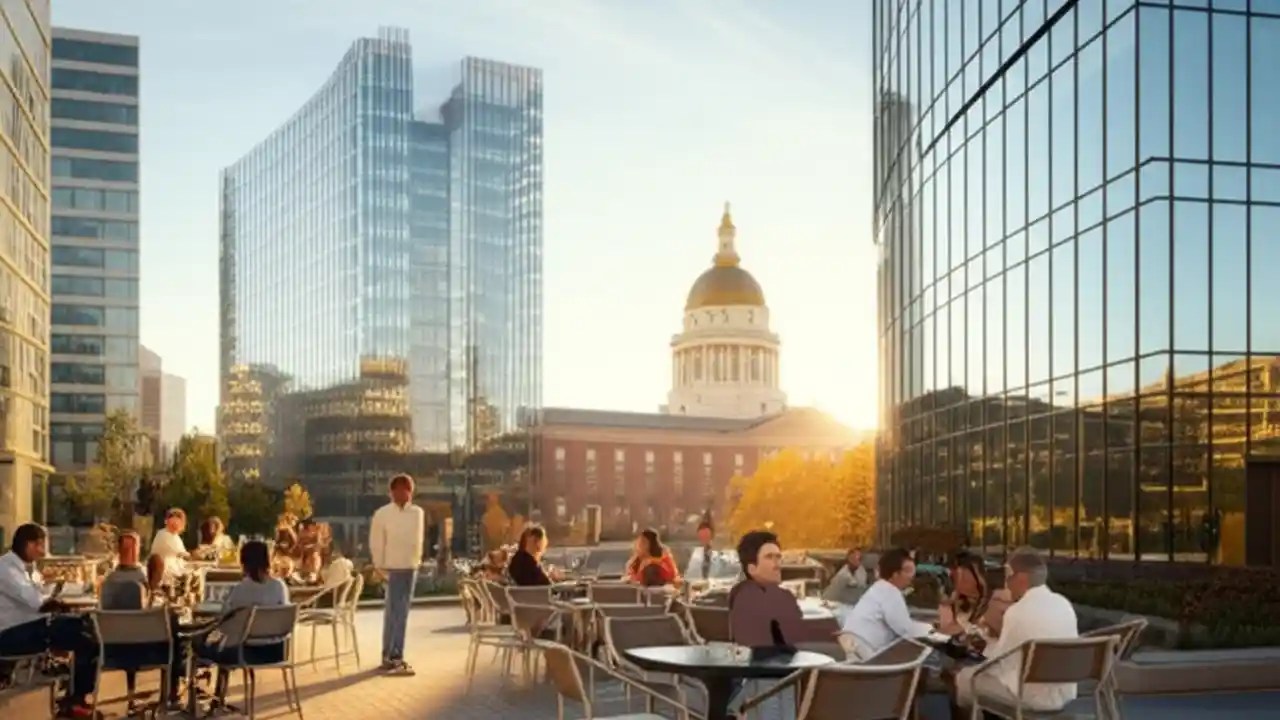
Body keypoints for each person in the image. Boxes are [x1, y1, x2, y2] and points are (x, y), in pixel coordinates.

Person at [947, 548, 1079, 717]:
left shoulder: (1018, 611)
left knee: (963, 679)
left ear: (1022, 578)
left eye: (1009, 578)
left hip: (1029, 697)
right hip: (1063, 694)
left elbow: (998, 664)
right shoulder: (1064, 604)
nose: (1007, 584)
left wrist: (976, 654)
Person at [0, 523, 100, 717]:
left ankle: (75, 692)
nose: (42, 551)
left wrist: (58, 595)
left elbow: (41, 594)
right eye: (40, 545)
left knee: (86, 625)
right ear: (28, 545)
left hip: (31, 627)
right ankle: (75, 698)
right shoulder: (6, 569)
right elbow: (36, 602)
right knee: (85, 637)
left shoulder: (27, 569)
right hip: (12, 635)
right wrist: (58, 602)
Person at [198, 541, 291, 703]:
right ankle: (217, 697)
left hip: (247, 652)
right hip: (277, 651)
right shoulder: (279, 586)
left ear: (244, 563)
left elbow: (225, 624)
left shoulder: (240, 590)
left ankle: (210, 696)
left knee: (200, 644)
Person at [100, 531, 183, 707]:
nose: (130, 551)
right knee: (174, 631)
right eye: (128, 547)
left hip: (111, 651)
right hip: (145, 650)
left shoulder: (108, 582)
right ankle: (173, 691)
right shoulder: (144, 577)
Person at [727, 530, 834, 651]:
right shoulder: (752, 596)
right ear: (752, 568)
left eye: (778, 557)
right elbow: (794, 634)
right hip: (775, 664)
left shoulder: (742, 593)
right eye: (769, 557)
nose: (777, 564)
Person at [369, 473, 424, 676]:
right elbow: (377, 542)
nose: (404, 494)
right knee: (393, 613)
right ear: (391, 492)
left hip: (410, 567)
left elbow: (418, 540)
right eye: (399, 489)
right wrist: (380, 567)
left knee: (403, 613)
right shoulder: (382, 514)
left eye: (407, 489)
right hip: (392, 568)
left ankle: (395, 654)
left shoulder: (417, 513)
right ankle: (391, 655)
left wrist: (416, 562)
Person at [842, 547, 934, 660]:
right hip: (863, 650)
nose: (912, 576)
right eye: (908, 571)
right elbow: (905, 629)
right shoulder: (890, 592)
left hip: (854, 646)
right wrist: (931, 629)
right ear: (895, 574)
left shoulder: (879, 588)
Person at [150, 508, 189, 578]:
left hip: (174, 571)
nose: (176, 523)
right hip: (164, 574)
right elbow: (181, 553)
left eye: (179, 521)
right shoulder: (163, 534)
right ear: (167, 521)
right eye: (173, 520)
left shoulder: (176, 537)